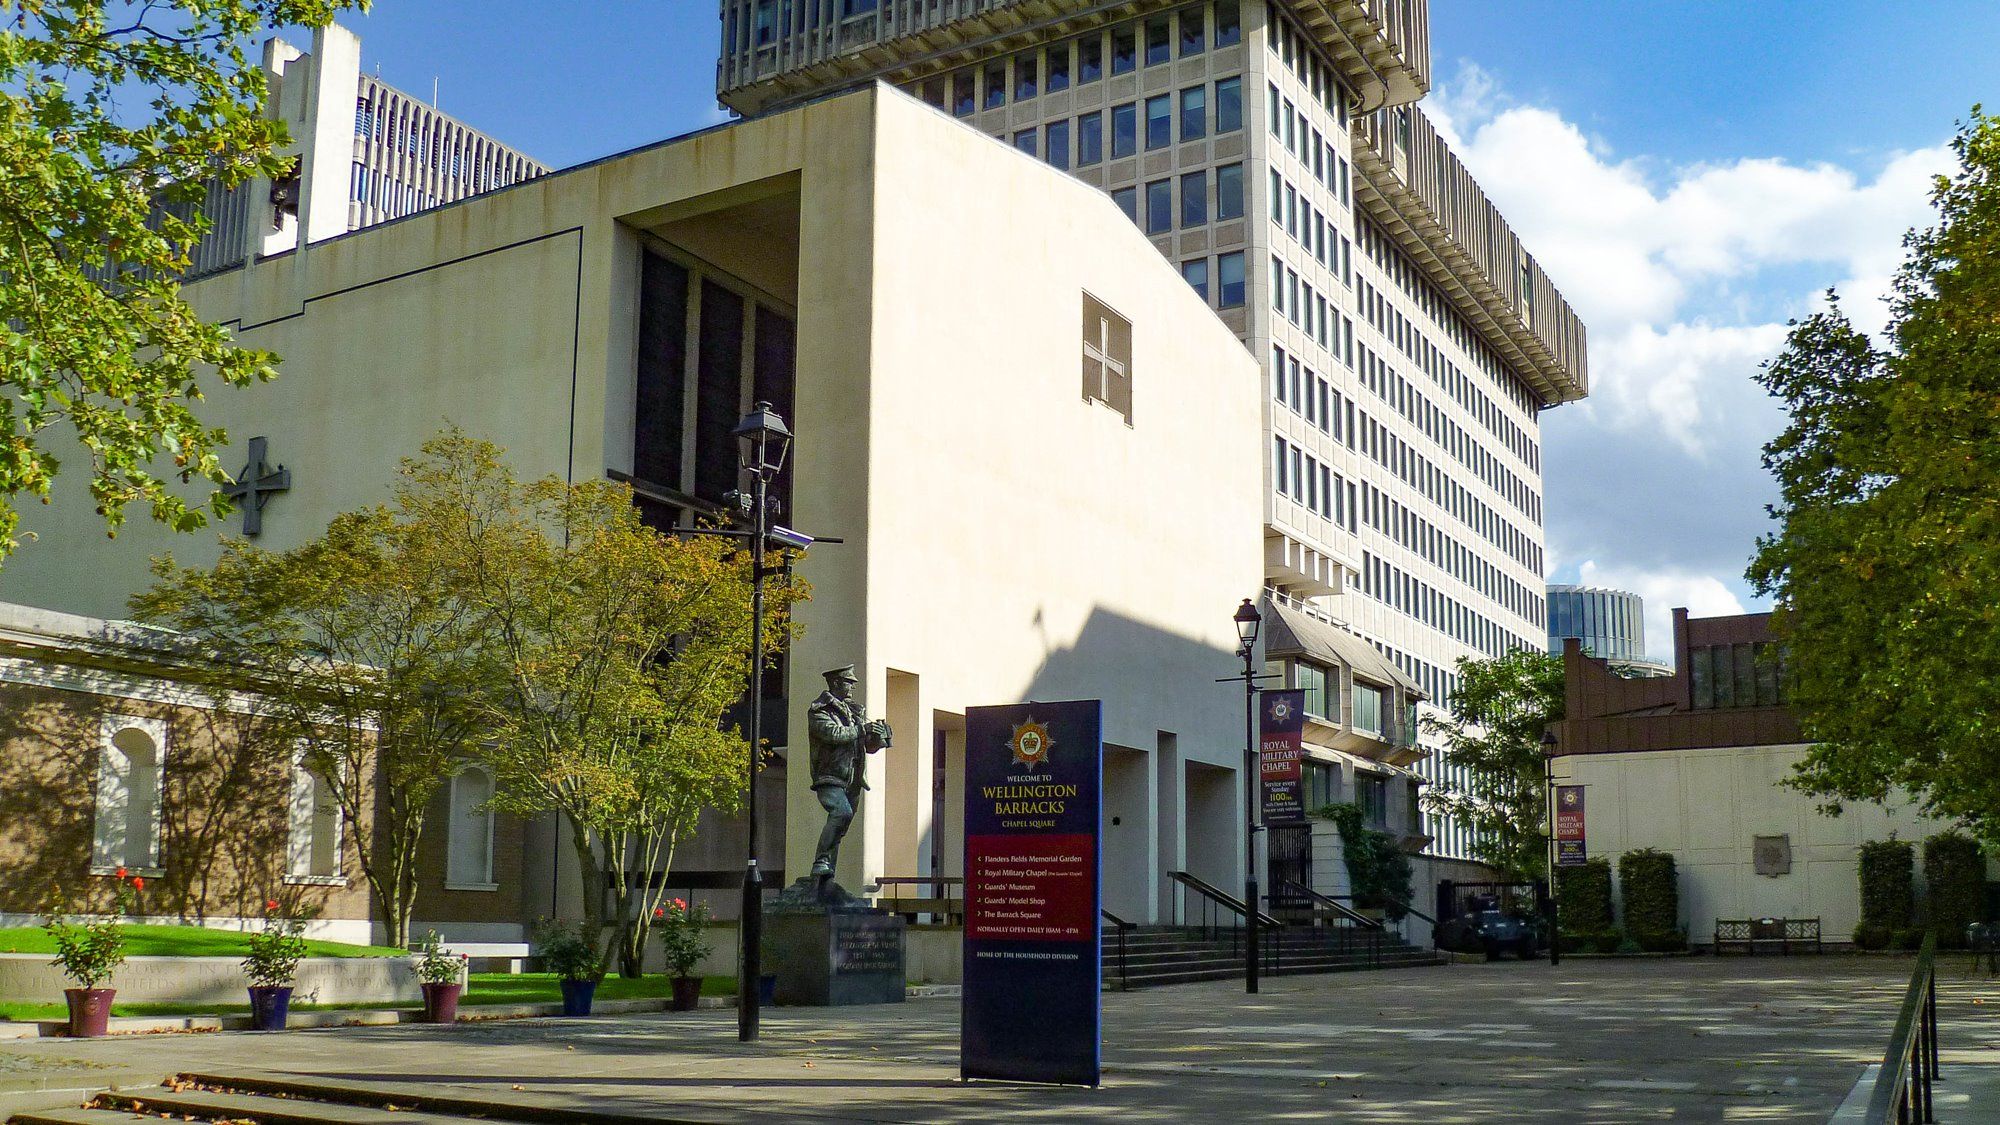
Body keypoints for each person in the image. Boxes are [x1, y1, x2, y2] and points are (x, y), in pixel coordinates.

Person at [806, 665, 890, 879]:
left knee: (841, 828)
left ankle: (826, 877)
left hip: (853, 779)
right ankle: (821, 861)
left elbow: (867, 747)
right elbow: (834, 734)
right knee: (841, 813)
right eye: (848, 682)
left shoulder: (854, 712)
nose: (852, 686)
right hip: (830, 776)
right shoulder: (820, 710)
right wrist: (863, 729)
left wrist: (879, 738)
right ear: (835, 683)